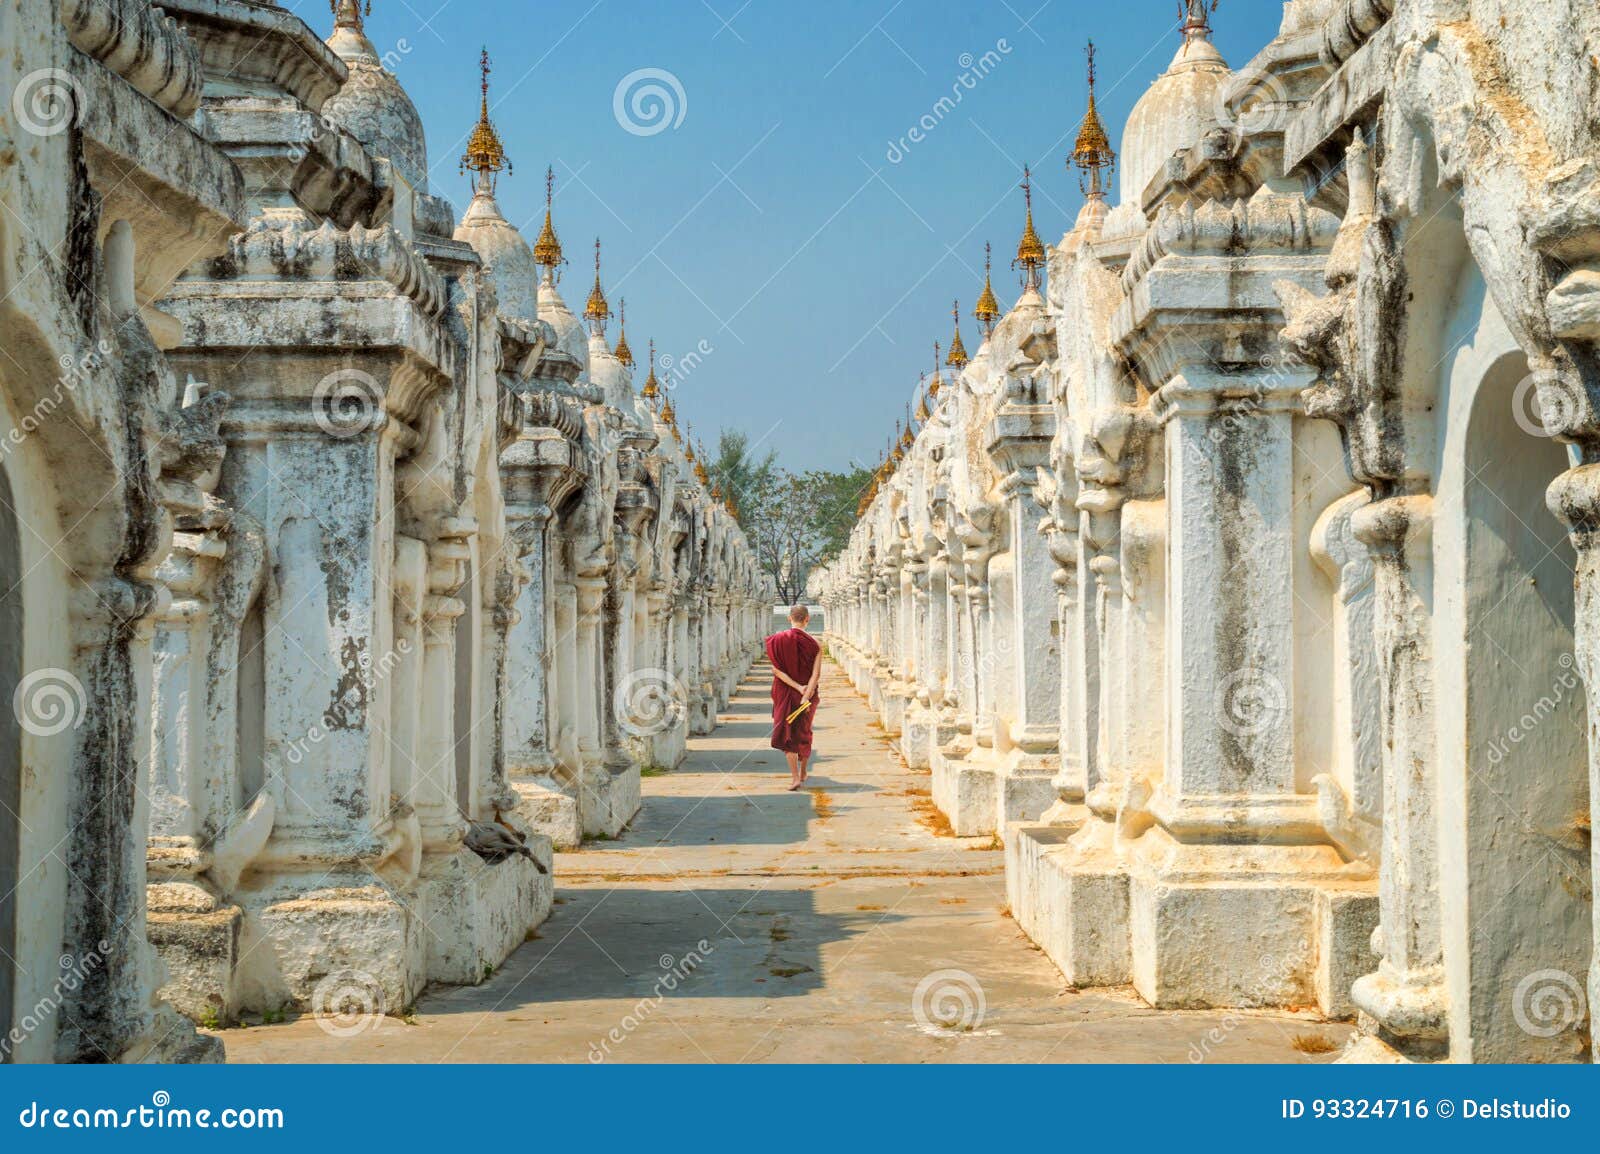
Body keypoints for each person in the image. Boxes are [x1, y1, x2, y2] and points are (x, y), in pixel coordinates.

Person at [765, 605, 821, 791]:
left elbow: (776, 671)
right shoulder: (815, 644)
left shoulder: (777, 640)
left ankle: (795, 777)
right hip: (808, 694)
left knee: (787, 734)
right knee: (804, 731)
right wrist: (805, 694)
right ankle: (804, 771)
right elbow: (815, 675)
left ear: (789, 619)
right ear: (807, 619)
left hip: (785, 692)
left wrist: (796, 687)